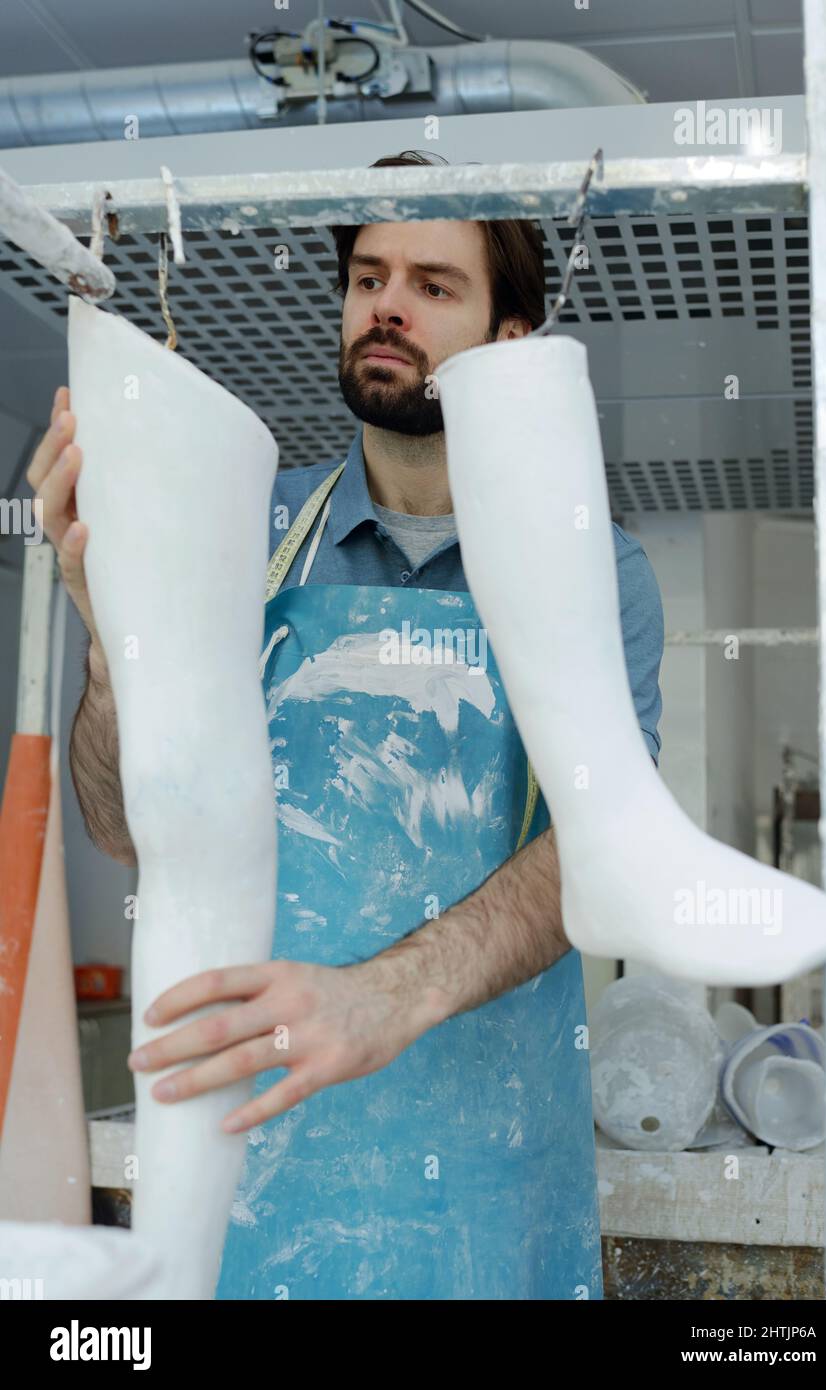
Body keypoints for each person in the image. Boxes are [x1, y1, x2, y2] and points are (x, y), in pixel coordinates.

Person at [27, 149, 664, 1300]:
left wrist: (381, 996)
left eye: (432, 283)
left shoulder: (591, 569)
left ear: (509, 342)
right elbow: (128, 831)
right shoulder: (245, 527)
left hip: (483, 1180)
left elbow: (598, 851)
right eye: (368, 274)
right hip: (255, 1174)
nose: (386, 304)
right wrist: (117, 641)